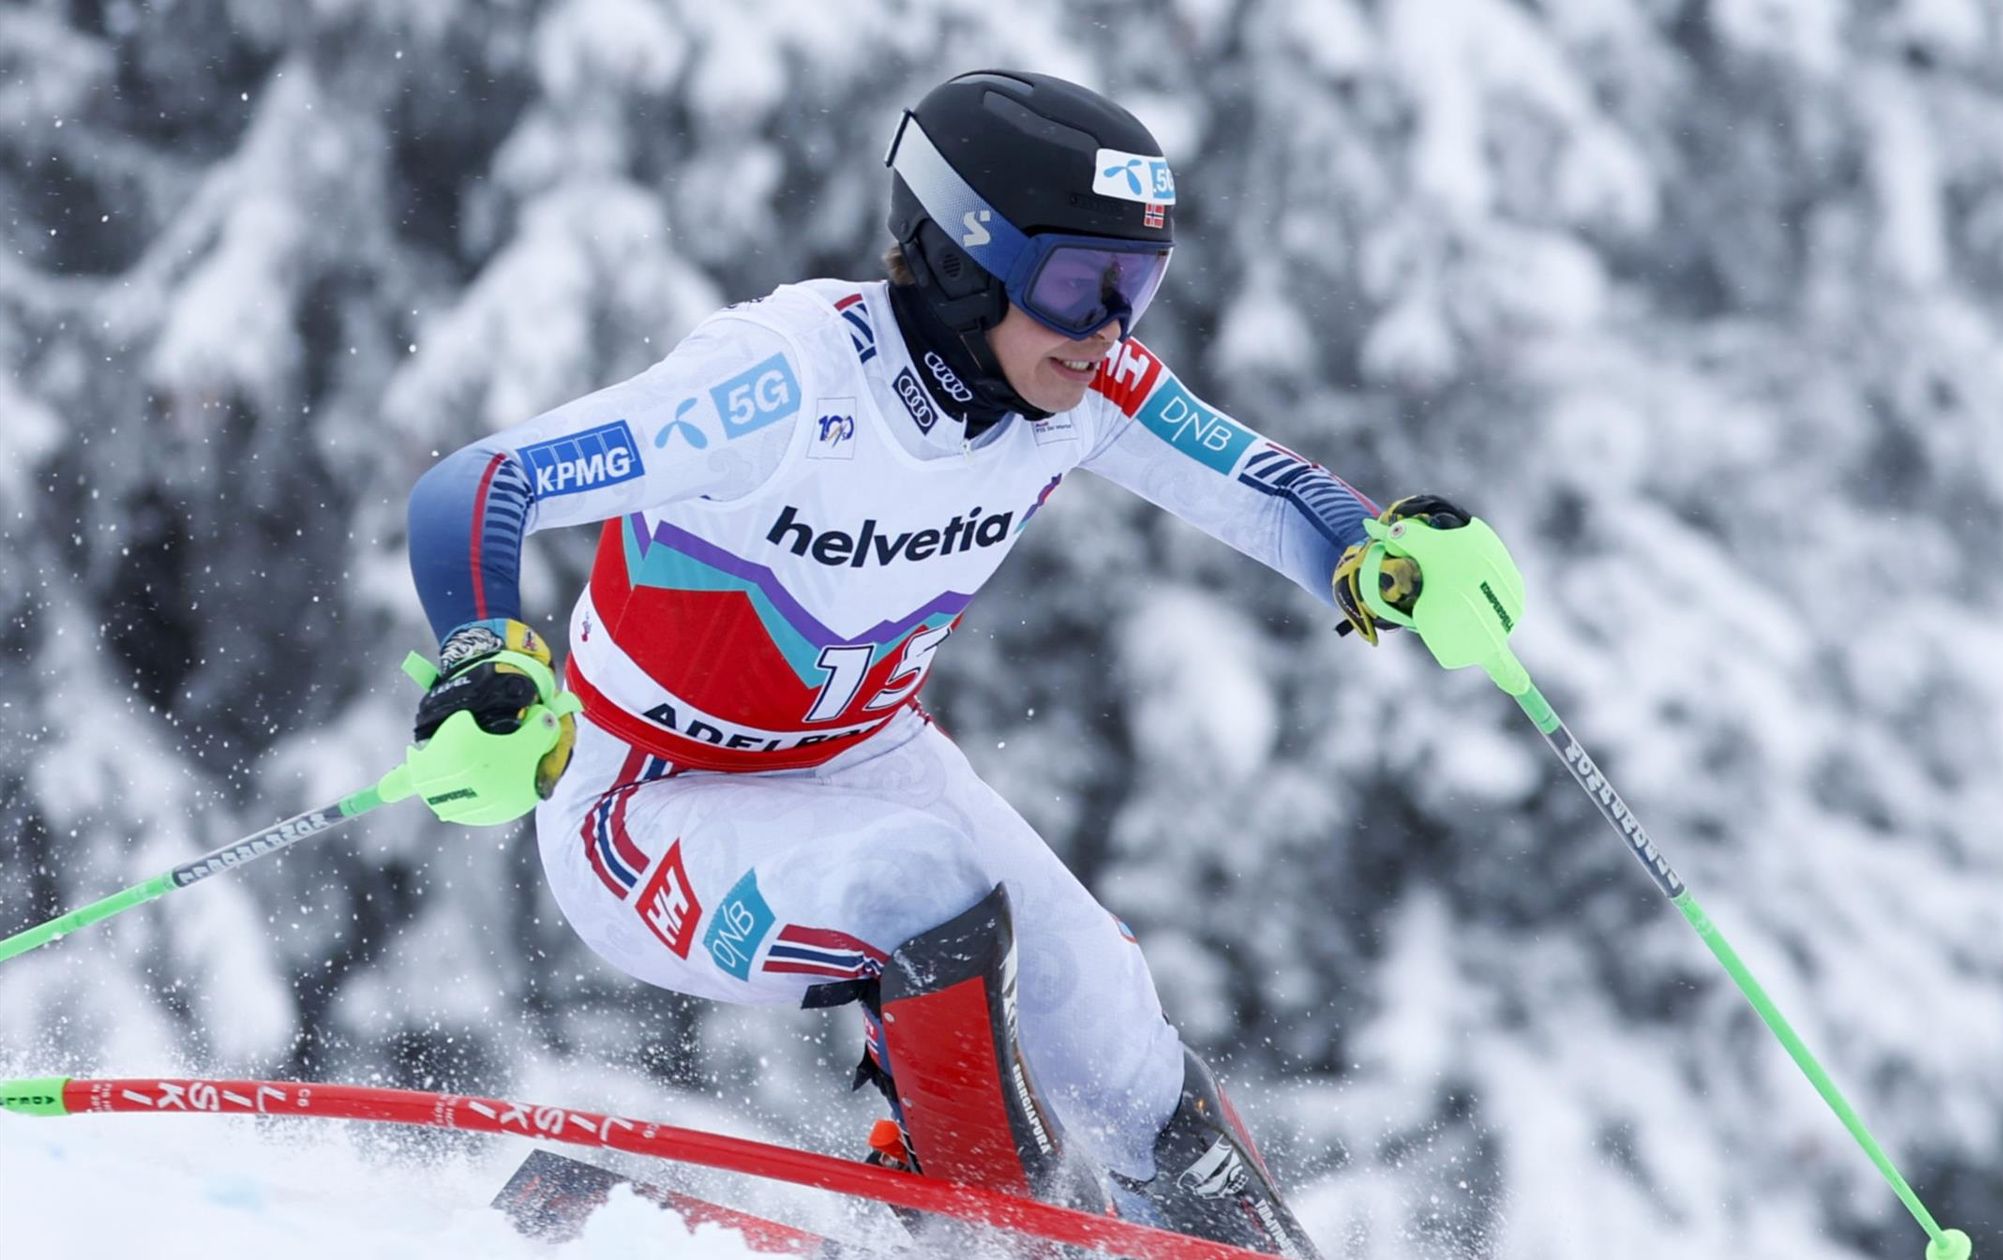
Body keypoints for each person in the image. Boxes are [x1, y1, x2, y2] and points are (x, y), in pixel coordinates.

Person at [405, 68, 1481, 1255]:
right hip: (649, 798)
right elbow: (482, 484)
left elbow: (1264, 488)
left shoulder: (1086, 387)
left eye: (1138, 285)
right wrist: (485, 653)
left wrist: (1377, 555)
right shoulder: (783, 382)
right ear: (965, 261)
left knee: (1117, 1030)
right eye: (1080, 282)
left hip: (865, 757)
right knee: (925, 892)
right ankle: (983, 1237)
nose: (1110, 327)